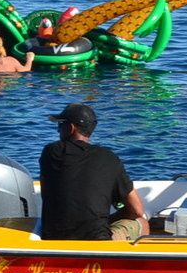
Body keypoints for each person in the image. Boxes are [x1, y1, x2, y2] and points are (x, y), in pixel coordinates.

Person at [39, 103, 150, 241]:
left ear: (71, 128)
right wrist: (110, 219)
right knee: (142, 223)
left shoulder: (50, 152)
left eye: (60, 124)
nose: (58, 130)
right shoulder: (109, 158)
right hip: (97, 240)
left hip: (53, 238)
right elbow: (137, 210)